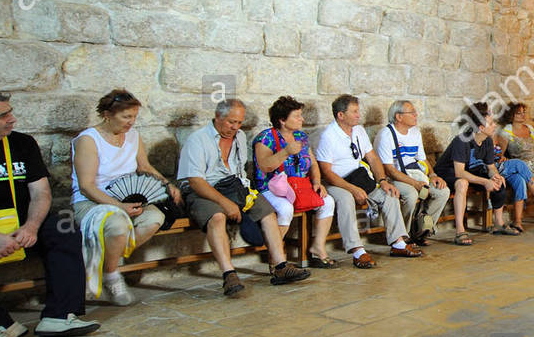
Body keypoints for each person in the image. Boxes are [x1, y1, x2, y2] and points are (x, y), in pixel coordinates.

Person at [0, 90, 99, 337]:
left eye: (10, 111)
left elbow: (41, 192)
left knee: (65, 228)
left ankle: (59, 316)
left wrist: (31, 226)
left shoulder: (22, 143)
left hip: (24, 221)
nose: (13, 119)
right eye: (3, 115)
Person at [177, 99, 311, 296]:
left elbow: (239, 172)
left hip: (233, 187)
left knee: (267, 211)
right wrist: (226, 203)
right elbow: (196, 181)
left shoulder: (239, 137)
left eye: (239, 123)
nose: (235, 127)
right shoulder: (198, 139)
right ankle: (228, 274)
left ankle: (280, 266)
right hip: (203, 189)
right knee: (217, 217)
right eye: (231, 122)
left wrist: (247, 196)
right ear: (217, 117)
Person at [71, 88, 182, 304]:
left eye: (134, 117)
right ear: (107, 114)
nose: (131, 122)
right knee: (118, 226)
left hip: (127, 197)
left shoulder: (133, 136)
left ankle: (105, 262)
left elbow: (144, 166)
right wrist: (119, 207)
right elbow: (86, 186)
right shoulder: (88, 140)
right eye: (126, 117)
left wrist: (167, 184)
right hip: (93, 200)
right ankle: (112, 276)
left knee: (154, 219)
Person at [315, 94, 417, 267]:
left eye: (358, 111)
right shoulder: (328, 136)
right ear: (341, 115)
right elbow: (326, 172)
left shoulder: (359, 131)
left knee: (389, 194)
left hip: (359, 178)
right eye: (354, 112)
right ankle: (357, 250)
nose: (358, 115)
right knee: (346, 199)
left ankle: (398, 242)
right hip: (337, 182)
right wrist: (352, 189)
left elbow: (372, 157)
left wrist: (383, 180)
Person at [252, 95, 338, 268]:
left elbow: (312, 162)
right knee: (285, 208)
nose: (302, 119)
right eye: (297, 116)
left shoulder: (301, 136)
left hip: (299, 186)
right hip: (272, 188)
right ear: (282, 120)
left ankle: (317, 248)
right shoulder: (265, 138)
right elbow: (264, 167)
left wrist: (317, 181)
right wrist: (285, 152)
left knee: (327, 201)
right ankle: (275, 255)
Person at [373, 100, 451, 247]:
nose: (416, 115)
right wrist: (415, 184)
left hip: (415, 173)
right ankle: (404, 235)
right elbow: (389, 169)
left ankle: (422, 230)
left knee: (443, 191)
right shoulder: (386, 135)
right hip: (393, 177)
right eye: (412, 112)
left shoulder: (415, 132)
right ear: (399, 117)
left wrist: (433, 175)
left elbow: (422, 159)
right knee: (411, 194)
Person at [433, 102, 512, 244]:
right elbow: (459, 172)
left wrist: (495, 176)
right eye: (491, 123)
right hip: (448, 172)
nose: (495, 125)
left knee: (498, 182)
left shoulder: (487, 141)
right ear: (481, 128)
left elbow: (490, 166)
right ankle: (460, 231)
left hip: (468, 170)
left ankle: (498, 224)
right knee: (463, 183)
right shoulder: (461, 141)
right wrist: (484, 181)